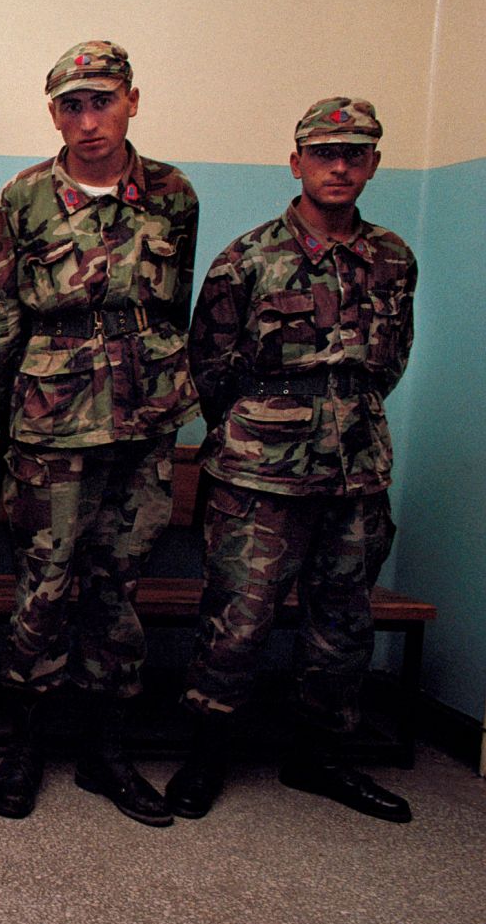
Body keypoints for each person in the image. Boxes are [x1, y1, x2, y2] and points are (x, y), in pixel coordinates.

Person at [166, 98, 415, 824]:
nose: (339, 166)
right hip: (257, 477)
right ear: (296, 161)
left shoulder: (393, 258)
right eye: (324, 153)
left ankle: (319, 757)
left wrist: (340, 422)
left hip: (356, 470)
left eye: (355, 154)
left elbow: (388, 361)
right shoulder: (246, 258)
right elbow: (206, 367)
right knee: (235, 622)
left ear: (371, 163)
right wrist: (265, 428)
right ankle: (207, 754)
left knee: (342, 624)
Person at [0, 41, 199, 827]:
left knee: (119, 587)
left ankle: (107, 752)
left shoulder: (172, 194)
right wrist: (16, 429)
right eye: (70, 105)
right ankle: (27, 744)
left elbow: (170, 309)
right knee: (42, 585)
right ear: (53, 114)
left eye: (101, 101)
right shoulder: (21, 199)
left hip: (144, 419)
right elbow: (1, 322)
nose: (88, 119)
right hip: (50, 420)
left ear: (131, 101)